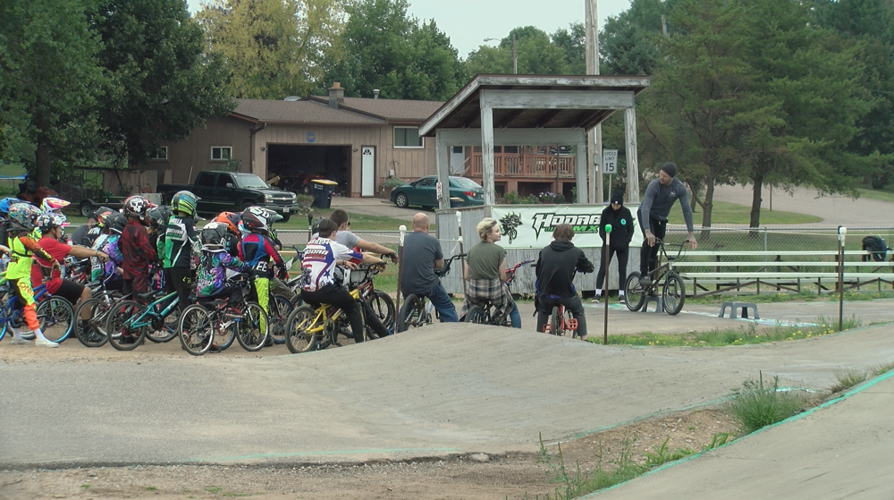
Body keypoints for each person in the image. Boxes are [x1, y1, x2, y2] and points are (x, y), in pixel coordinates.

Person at [298, 219, 389, 343]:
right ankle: (359, 343)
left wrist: (344, 262)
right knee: (352, 306)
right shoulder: (333, 245)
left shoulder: (311, 244)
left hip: (305, 291)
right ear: (334, 233)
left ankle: (316, 342)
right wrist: (380, 261)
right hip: (324, 290)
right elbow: (363, 257)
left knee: (318, 306)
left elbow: (319, 259)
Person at [33, 213, 108, 331]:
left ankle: (72, 328)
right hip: (51, 283)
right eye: (59, 228)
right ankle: (87, 329)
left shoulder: (44, 241)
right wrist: (97, 253)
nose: (61, 230)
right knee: (86, 292)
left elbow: (73, 248)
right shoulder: (49, 242)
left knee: (73, 298)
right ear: (52, 229)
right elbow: (74, 251)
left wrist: (92, 250)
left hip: (43, 282)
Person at [5, 204, 61, 347]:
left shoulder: (12, 233)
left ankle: (17, 336)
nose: (35, 222)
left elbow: (22, 253)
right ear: (25, 219)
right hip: (21, 275)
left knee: (17, 304)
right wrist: (53, 260)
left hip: (13, 271)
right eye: (33, 219)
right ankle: (39, 338)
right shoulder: (24, 236)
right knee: (30, 303)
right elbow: (38, 250)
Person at [639, 162, 698, 286]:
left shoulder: (679, 188)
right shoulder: (654, 185)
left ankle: (652, 280)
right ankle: (643, 273)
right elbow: (645, 208)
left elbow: (686, 209)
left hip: (661, 218)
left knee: (657, 245)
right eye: (660, 174)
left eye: (664, 176)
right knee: (650, 240)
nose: (661, 177)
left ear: (671, 177)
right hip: (647, 214)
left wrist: (691, 233)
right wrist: (647, 231)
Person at [535, 224, 594, 341]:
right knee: (578, 311)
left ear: (555, 235)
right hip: (566, 295)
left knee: (543, 310)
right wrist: (587, 269)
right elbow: (588, 267)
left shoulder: (545, 251)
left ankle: (538, 337)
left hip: (546, 295)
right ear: (571, 236)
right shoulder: (576, 252)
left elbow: (538, 272)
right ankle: (584, 339)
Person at [461, 217, 521, 328]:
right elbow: (502, 277)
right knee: (512, 307)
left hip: (475, 292)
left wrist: (478, 281)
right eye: (497, 231)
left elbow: (465, 276)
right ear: (488, 234)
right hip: (494, 292)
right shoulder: (499, 251)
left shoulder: (471, 251)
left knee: (471, 302)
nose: (500, 233)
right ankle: (517, 331)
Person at [399, 213, 458, 323]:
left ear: (413, 225)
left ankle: (394, 330)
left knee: (406, 310)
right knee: (446, 307)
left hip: (406, 284)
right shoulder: (433, 241)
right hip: (427, 284)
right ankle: (453, 330)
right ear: (427, 225)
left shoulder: (403, 240)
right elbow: (440, 265)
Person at [238, 207, 286, 318]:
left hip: (248, 275)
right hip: (261, 276)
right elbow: (276, 257)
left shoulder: (243, 239)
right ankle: (263, 334)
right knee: (262, 307)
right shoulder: (264, 239)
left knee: (250, 304)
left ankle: (246, 330)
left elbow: (241, 257)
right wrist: (282, 269)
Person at [159, 190, 201, 312]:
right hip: (182, 266)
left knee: (170, 296)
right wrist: (201, 259)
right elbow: (196, 243)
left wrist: (162, 258)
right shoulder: (188, 223)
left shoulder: (169, 220)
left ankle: (156, 319)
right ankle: (186, 329)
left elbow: (159, 242)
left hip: (167, 265)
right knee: (185, 298)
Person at [594, 189, 635, 303]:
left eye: (617, 205)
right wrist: (606, 240)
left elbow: (630, 229)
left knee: (622, 269)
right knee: (603, 268)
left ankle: (622, 294)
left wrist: (627, 241)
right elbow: (601, 229)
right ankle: (597, 293)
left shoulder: (626, 212)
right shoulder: (606, 212)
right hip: (608, 244)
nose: (615, 207)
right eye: (613, 204)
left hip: (622, 245)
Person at [196, 222, 247, 306]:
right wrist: (247, 268)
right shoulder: (221, 255)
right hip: (215, 288)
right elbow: (234, 264)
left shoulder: (203, 254)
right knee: (236, 289)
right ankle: (231, 309)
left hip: (201, 289)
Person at [120, 196, 159, 303]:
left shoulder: (127, 227)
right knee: (140, 300)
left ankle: (123, 316)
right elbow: (147, 249)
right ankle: (139, 319)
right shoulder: (140, 229)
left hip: (127, 270)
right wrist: (156, 259)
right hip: (139, 271)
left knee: (127, 299)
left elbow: (120, 245)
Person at [329, 209, 399, 263]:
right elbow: (373, 247)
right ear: (344, 225)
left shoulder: (321, 235)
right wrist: (391, 251)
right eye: (348, 224)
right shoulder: (346, 235)